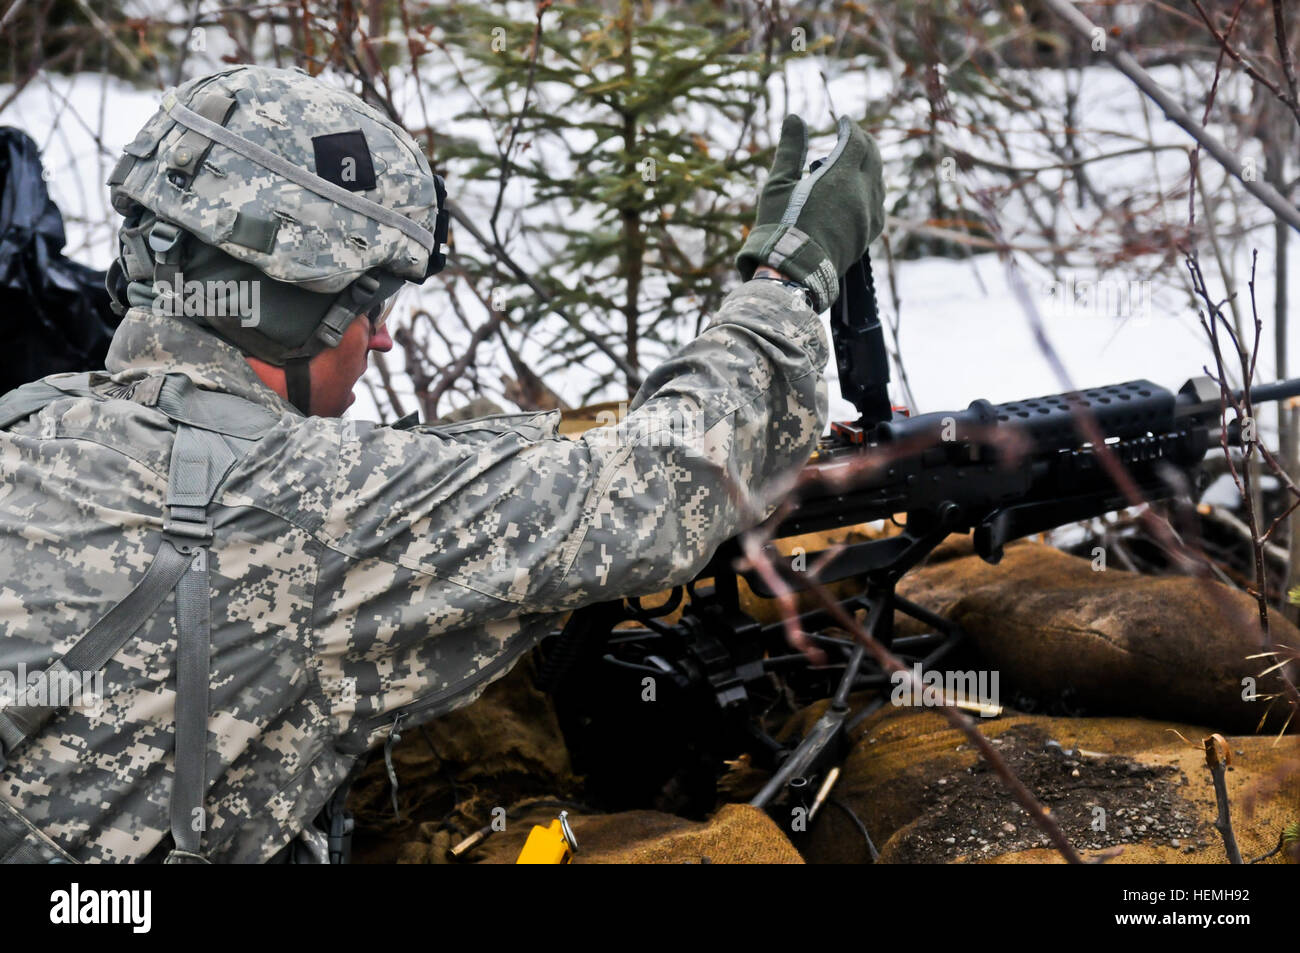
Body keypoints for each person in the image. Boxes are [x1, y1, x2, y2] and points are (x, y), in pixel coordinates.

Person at [0, 65, 884, 863]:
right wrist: (786, 277)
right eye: (367, 302)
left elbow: (395, 474)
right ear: (286, 308)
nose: (382, 334)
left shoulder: (40, 423)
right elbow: (667, 488)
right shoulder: (299, 505)